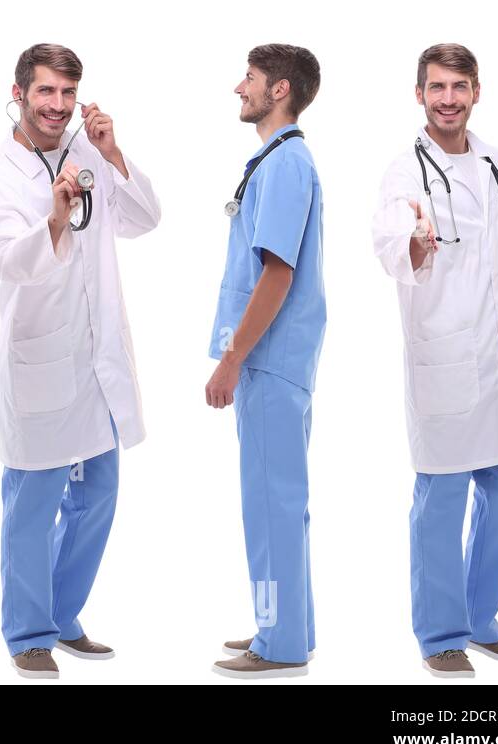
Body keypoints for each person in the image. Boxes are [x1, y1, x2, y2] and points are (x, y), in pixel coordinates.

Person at [0, 43, 161, 679]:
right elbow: (5, 260)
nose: (57, 107)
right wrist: (52, 219)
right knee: (32, 504)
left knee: (99, 495)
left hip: (95, 359)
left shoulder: (88, 155)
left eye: (67, 95)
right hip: (40, 359)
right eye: (46, 92)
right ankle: (28, 632)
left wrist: (112, 155)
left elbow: (144, 220)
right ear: (21, 91)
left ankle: (61, 612)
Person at [371, 43, 498, 678]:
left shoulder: (497, 162)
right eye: (436, 87)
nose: (447, 98)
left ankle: (481, 619)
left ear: (475, 91)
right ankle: (440, 634)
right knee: (441, 500)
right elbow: (386, 243)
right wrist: (414, 241)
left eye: (458, 86)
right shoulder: (404, 172)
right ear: (419, 94)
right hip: (443, 355)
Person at [208, 44, 324, 679]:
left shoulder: (285, 166)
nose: (239, 88)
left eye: (249, 78)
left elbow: (276, 275)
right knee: (282, 498)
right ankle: (289, 630)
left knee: (271, 501)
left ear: (279, 90)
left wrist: (231, 360)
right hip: (278, 360)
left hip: (269, 359)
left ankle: (277, 645)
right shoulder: (279, 160)